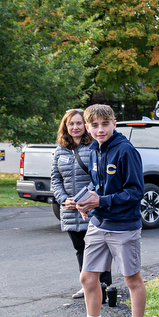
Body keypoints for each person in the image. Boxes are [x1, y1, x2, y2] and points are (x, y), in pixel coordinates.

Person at [61, 104, 149, 317]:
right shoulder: (94, 150)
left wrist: (100, 201)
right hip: (98, 223)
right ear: (88, 128)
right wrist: (84, 201)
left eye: (105, 124)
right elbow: (98, 185)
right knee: (88, 279)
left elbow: (135, 192)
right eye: (95, 125)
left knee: (132, 281)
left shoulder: (125, 151)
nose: (100, 130)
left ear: (114, 124)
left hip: (123, 227)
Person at [50, 109, 114, 302]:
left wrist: (83, 199)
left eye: (78, 123)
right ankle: (87, 286)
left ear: (85, 126)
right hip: (70, 210)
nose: (75, 127)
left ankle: (104, 286)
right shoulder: (60, 150)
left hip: (91, 207)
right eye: (71, 124)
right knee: (80, 249)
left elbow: (99, 177)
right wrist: (64, 199)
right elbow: (55, 179)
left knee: (98, 248)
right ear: (65, 127)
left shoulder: (94, 147)